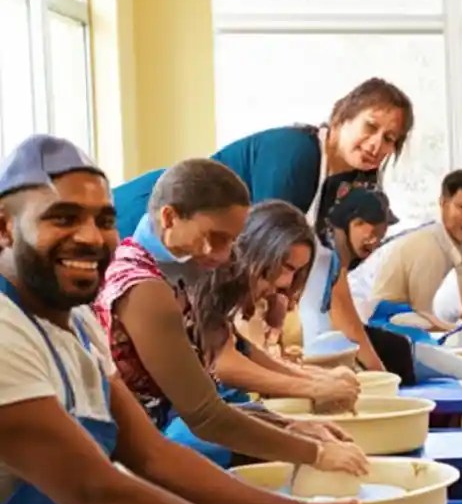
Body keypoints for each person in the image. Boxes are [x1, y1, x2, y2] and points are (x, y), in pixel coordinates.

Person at [0, 135, 378, 504]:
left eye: (104, 220)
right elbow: (98, 496)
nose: (89, 237)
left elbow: (154, 456)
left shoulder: (77, 323)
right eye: (63, 218)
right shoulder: (8, 330)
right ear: (4, 228)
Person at [93, 158, 367, 472]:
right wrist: (313, 452)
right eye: (216, 237)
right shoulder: (143, 288)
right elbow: (206, 415)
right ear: (169, 217)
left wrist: (289, 425)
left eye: (232, 240)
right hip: (127, 459)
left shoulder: (181, 270)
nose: (225, 254)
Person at [112, 77, 414, 238]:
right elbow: (263, 249)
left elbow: (328, 271)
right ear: (342, 116)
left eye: (389, 139)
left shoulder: (347, 185)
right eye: (370, 126)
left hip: (195, 246)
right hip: (152, 215)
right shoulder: (297, 154)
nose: (376, 144)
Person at [348, 170, 462, 427]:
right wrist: (450, 323)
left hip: (404, 335)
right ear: (443, 204)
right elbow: (421, 313)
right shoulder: (429, 245)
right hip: (390, 339)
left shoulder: (455, 245)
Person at [204, 201, 377, 413]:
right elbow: (223, 364)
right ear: (259, 251)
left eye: (296, 272)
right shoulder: (205, 281)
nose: (286, 282)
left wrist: (315, 377)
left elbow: (244, 351)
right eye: (286, 267)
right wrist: (313, 387)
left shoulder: (229, 296)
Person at [294, 187, 409, 377]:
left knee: (397, 348)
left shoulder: (337, 260)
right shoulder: (326, 257)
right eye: (367, 229)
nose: (374, 242)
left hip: (319, 354)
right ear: (347, 223)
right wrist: (380, 374)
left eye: (379, 236)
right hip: (313, 357)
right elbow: (345, 320)